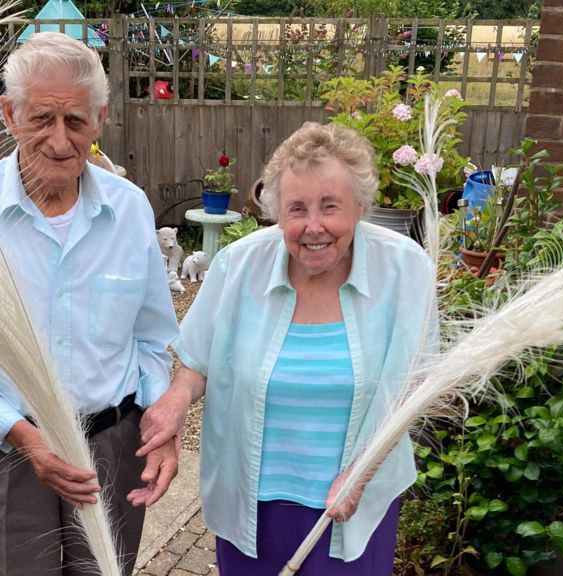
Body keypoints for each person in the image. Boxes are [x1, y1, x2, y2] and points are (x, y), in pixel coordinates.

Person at [0, 32, 180, 576]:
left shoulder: (130, 210)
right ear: (9, 114)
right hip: (8, 450)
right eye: (42, 119)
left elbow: (152, 339)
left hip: (112, 445)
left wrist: (161, 428)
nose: (60, 141)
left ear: (100, 119)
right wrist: (26, 439)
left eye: (76, 121)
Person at [138, 122, 436, 574]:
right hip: (251, 503)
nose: (313, 227)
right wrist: (175, 403)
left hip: (353, 506)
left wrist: (361, 476)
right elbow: (197, 364)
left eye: (330, 206)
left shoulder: (404, 270)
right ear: (277, 212)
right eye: (297, 209)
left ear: (360, 206)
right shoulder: (239, 264)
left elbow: (416, 389)